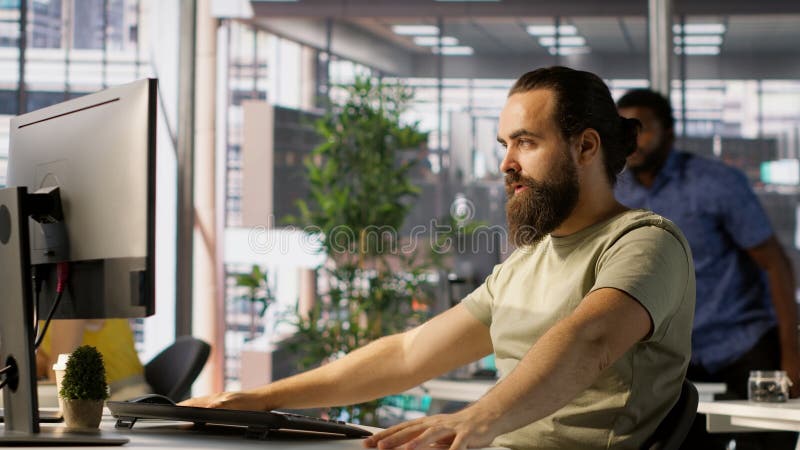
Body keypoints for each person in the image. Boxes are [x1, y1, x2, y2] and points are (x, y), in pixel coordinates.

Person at [183, 66, 696, 450]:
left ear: (586, 147)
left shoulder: (644, 242)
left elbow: (591, 338)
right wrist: (258, 400)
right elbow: (409, 354)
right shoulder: (528, 261)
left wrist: (477, 418)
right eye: (504, 143)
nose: (506, 163)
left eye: (526, 142)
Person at [614, 89, 800, 449]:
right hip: (677, 359)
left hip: (744, 345)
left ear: (669, 132)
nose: (632, 141)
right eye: (623, 129)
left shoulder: (715, 183)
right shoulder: (616, 192)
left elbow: (775, 262)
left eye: (642, 129)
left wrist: (793, 354)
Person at [36, 319, 152, 401]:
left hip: (121, 398)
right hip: (115, 393)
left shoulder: (68, 296)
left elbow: (61, 377)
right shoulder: (50, 299)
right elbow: (43, 360)